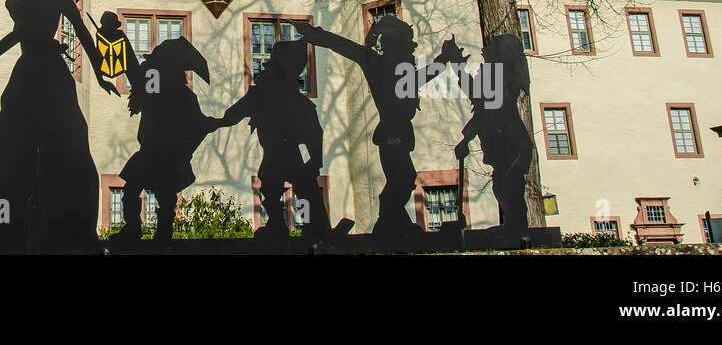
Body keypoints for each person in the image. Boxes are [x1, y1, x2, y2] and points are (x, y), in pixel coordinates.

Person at [0, 0, 118, 251]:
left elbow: (76, 30)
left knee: (33, 151)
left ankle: (27, 229)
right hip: (42, 74)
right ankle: (33, 227)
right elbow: (73, 31)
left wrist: (99, 72)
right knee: (47, 149)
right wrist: (98, 72)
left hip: (37, 75)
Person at [298, 16, 459, 242]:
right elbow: (344, 46)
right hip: (392, 134)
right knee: (402, 179)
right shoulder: (380, 64)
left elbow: (424, 75)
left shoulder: (399, 70)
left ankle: (392, 220)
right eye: (406, 45)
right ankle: (389, 220)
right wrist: (316, 35)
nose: (410, 51)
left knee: (402, 179)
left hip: (398, 133)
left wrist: (444, 59)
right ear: (395, 45)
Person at [107, 18, 215, 248]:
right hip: (154, 152)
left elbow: (136, 73)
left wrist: (122, 42)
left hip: (166, 155)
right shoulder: (160, 87)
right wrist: (120, 40)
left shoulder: (181, 96)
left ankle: (155, 232)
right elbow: (136, 74)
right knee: (138, 190)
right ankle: (139, 230)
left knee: (159, 195)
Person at [219, 40, 331, 242]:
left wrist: (315, 160)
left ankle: (299, 225)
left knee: (284, 189)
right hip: (281, 154)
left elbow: (232, 114)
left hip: (281, 153)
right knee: (282, 189)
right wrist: (315, 159)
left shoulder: (268, 96)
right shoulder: (287, 100)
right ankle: (301, 225)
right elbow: (315, 132)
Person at [449, 33, 532, 232]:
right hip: (507, 138)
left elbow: (483, 109)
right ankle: (515, 226)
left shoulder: (497, 76)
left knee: (506, 183)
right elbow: (479, 101)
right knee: (505, 182)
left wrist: (465, 140)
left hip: (508, 140)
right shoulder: (498, 75)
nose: (484, 55)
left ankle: (516, 227)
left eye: (489, 51)